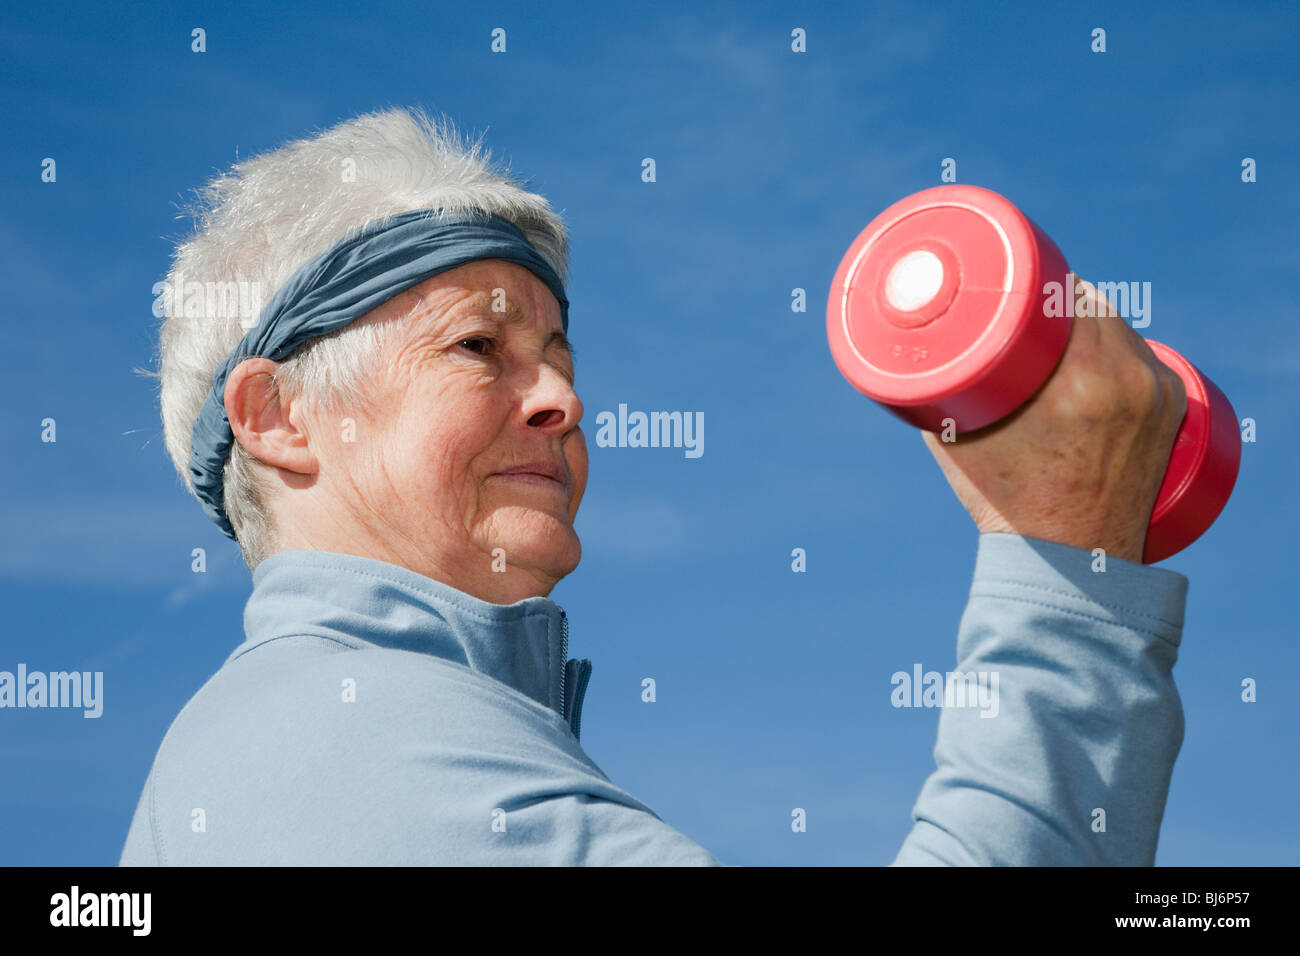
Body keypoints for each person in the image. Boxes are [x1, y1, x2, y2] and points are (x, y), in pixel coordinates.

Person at [121, 107, 1188, 865]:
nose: (559, 401)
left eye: (561, 356)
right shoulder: (343, 736)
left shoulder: (360, 735)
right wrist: (1066, 571)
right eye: (478, 346)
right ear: (277, 418)